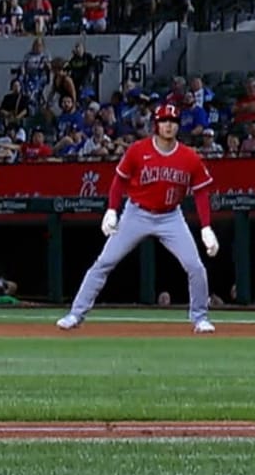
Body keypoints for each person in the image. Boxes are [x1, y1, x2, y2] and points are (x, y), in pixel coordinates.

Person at [56, 103, 220, 334]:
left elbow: (202, 191)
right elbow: (119, 181)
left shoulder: (188, 156)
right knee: (104, 262)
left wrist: (206, 227)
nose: (168, 126)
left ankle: (200, 317)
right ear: (156, 124)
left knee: (195, 266)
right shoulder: (138, 150)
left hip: (170, 216)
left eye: (172, 122)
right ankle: (75, 314)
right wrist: (112, 210)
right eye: (164, 121)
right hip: (137, 212)